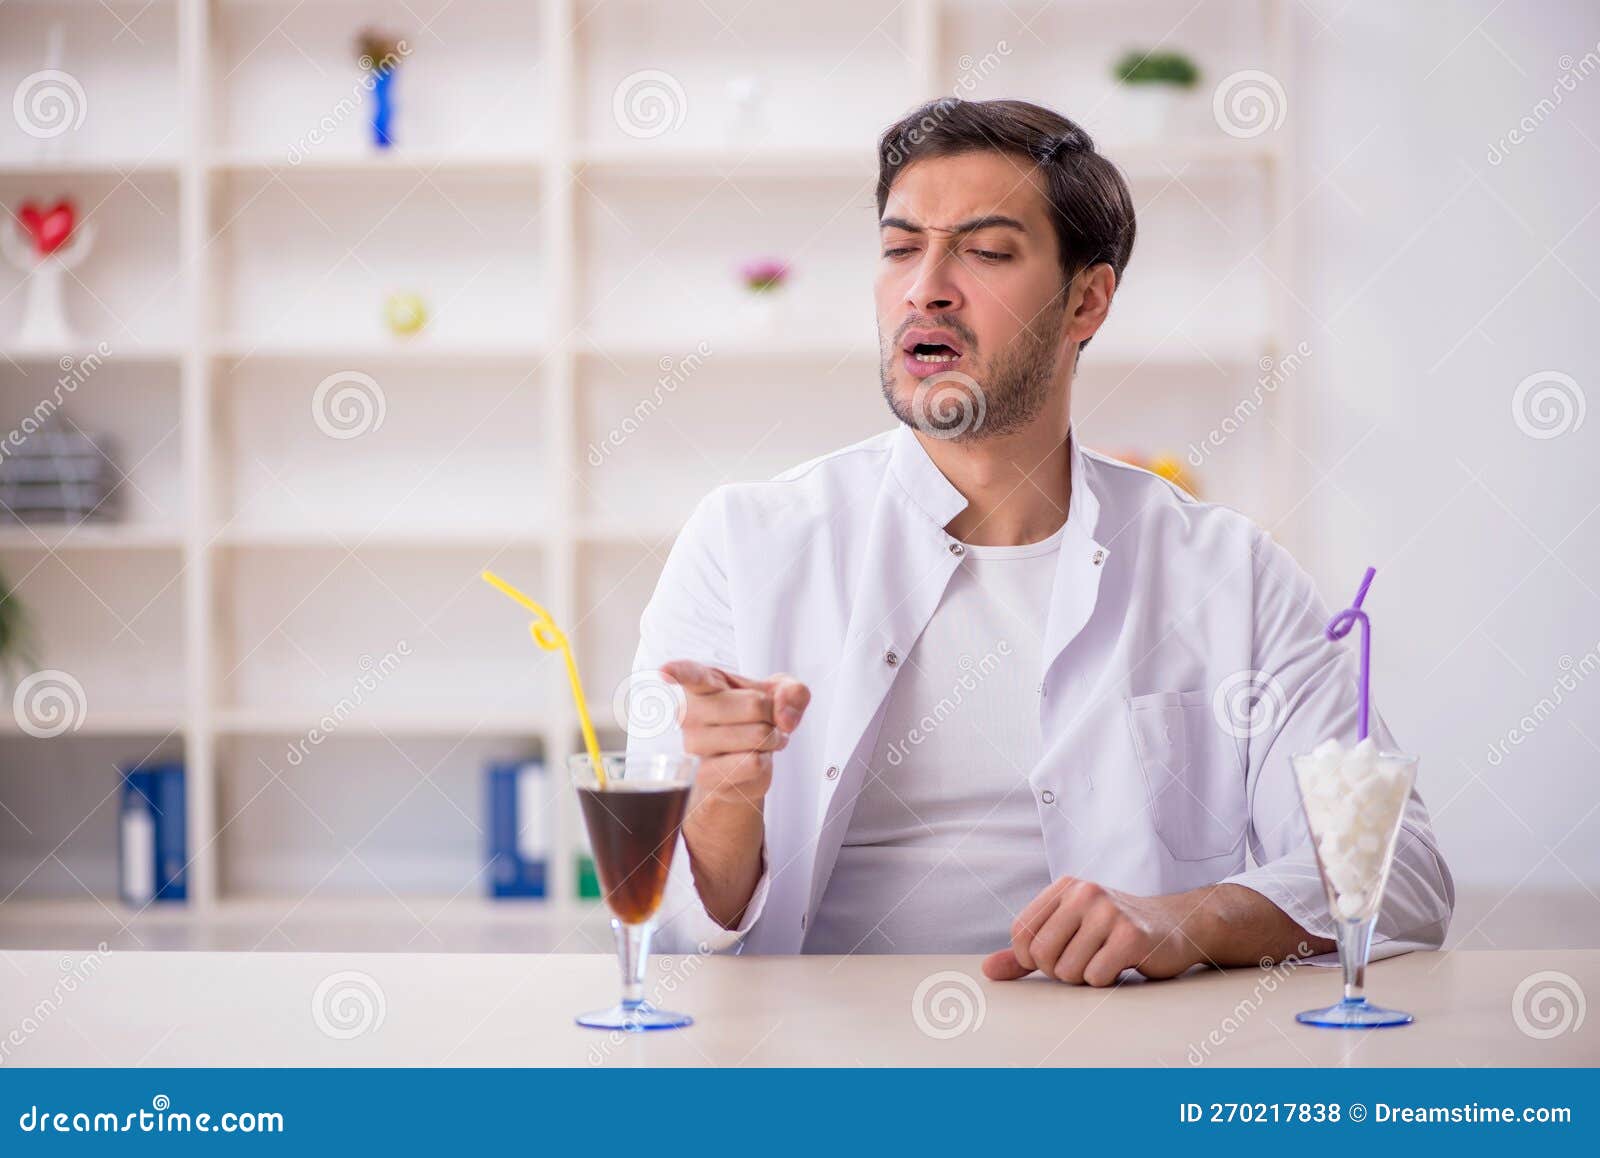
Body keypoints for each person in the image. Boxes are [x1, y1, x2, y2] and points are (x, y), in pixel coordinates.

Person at [626, 97, 1453, 986]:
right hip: (816, 1075)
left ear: (1086, 301)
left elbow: (1402, 875)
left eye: (983, 252)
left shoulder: (1228, 573)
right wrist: (723, 798)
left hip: (1116, 1065)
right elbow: (662, 924)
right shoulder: (746, 542)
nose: (925, 287)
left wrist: (1189, 920)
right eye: (901, 248)